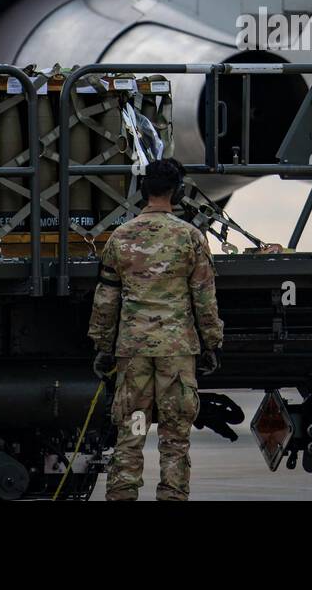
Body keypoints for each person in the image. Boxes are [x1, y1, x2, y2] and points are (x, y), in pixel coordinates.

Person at [87, 157, 224, 500]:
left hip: (133, 354)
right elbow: (204, 299)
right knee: (175, 439)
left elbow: (106, 300)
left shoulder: (120, 237)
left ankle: (122, 495)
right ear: (177, 192)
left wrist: (103, 346)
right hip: (176, 354)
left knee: (131, 431)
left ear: (143, 190)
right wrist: (211, 344)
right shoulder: (190, 238)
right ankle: (172, 495)